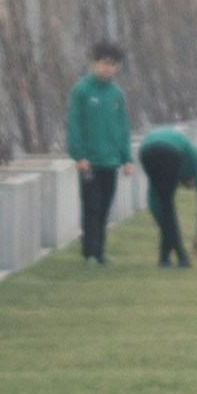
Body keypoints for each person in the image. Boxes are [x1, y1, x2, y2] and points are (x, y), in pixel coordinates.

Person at [67, 42, 132, 265]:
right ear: (95, 63)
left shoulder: (116, 94)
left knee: (105, 206)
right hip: (90, 162)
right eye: (104, 64)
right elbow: (74, 125)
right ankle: (89, 253)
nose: (108, 69)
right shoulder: (82, 91)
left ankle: (100, 252)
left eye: (112, 65)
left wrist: (126, 158)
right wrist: (79, 155)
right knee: (91, 206)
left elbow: (122, 127)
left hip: (110, 161)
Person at [138, 122, 197, 267]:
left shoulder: (182, 166)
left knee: (165, 203)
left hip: (145, 151)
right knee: (167, 205)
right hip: (169, 151)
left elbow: (152, 200)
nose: (188, 186)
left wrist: (164, 227)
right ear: (193, 177)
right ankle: (182, 258)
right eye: (191, 185)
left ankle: (164, 259)